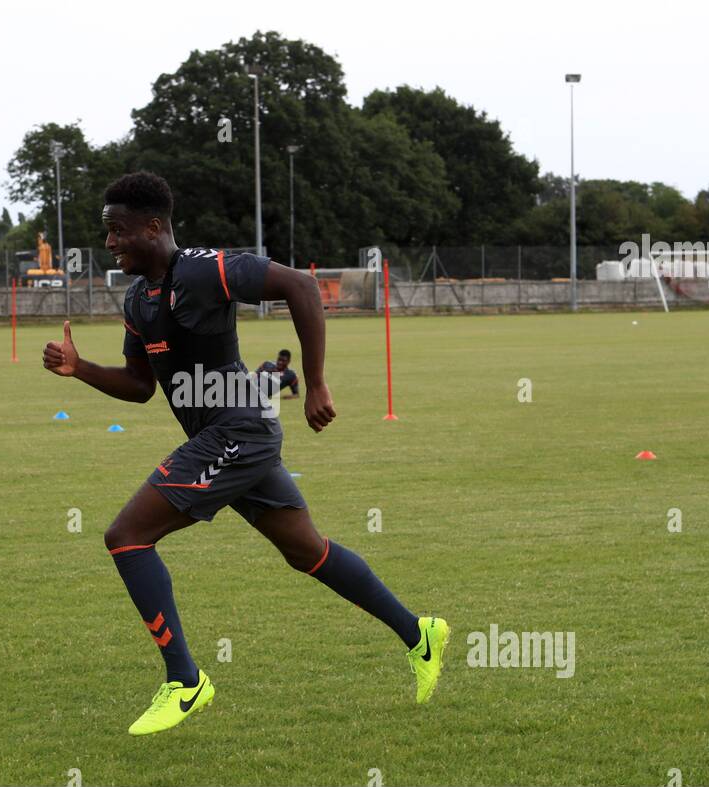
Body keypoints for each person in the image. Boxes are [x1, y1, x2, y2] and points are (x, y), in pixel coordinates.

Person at [42, 171, 448, 736]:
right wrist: (79, 368)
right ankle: (420, 633)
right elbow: (140, 386)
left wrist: (317, 383)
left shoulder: (208, 268)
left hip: (240, 430)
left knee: (126, 537)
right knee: (307, 552)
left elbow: (302, 288)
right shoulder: (137, 301)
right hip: (223, 439)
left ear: (153, 226)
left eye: (117, 231)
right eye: (105, 232)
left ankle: (185, 682)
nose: (108, 242)